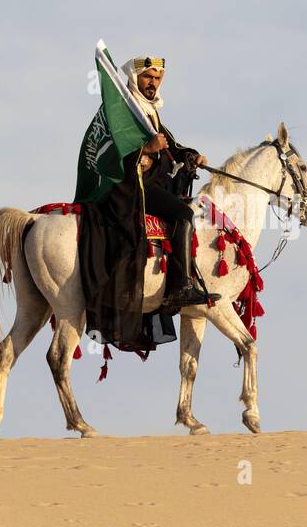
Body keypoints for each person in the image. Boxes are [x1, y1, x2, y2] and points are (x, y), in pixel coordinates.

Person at [74, 55, 219, 352]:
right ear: (134, 78)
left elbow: (171, 146)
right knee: (182, 213)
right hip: (126, 188)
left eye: (157, 78)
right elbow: (112, 154)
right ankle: (180, 286)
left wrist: (190, 155)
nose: (152, 83)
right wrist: (146, 150)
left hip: (147, 184)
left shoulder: (148, 111)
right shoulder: (122, 112)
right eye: (147, 78)